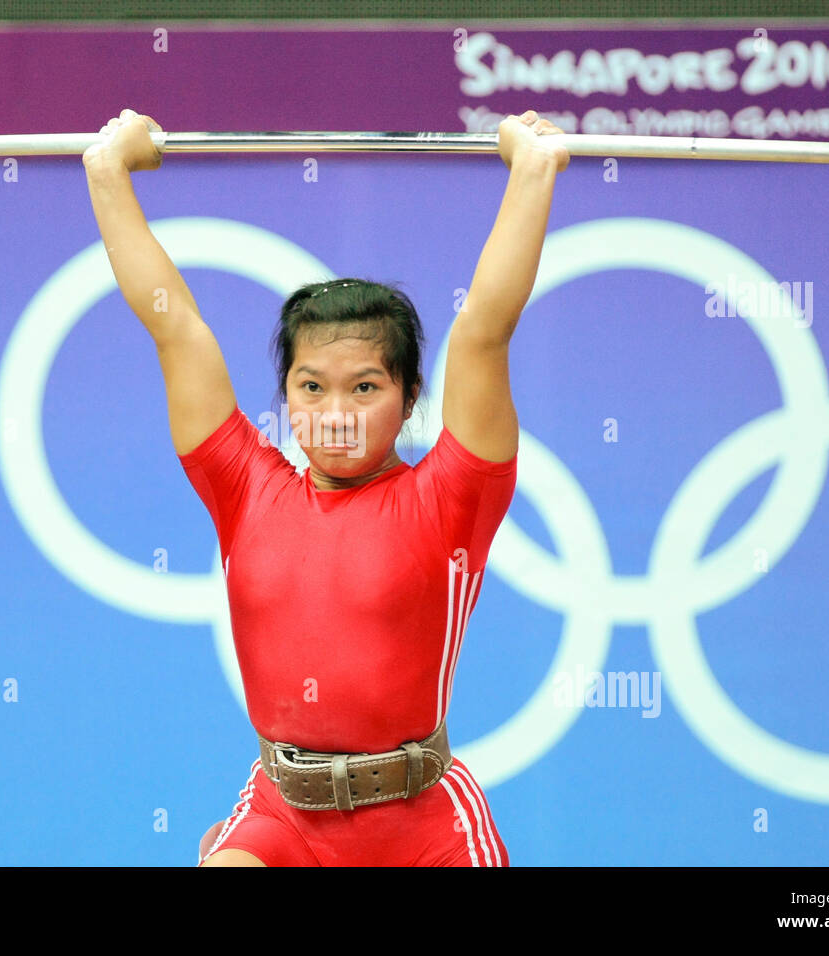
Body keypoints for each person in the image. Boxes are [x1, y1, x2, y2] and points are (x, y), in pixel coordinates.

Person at [83, 107, 568, 866]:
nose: (336, 414)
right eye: (312, 387)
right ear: (286, 396)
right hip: (283, 817)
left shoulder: (452, 497)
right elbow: (173, 326)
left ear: (411, 398)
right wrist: (107, 172)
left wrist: (531, 173)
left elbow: (483, 329)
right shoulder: (244, 487)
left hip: (423, 829)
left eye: (365, 387)